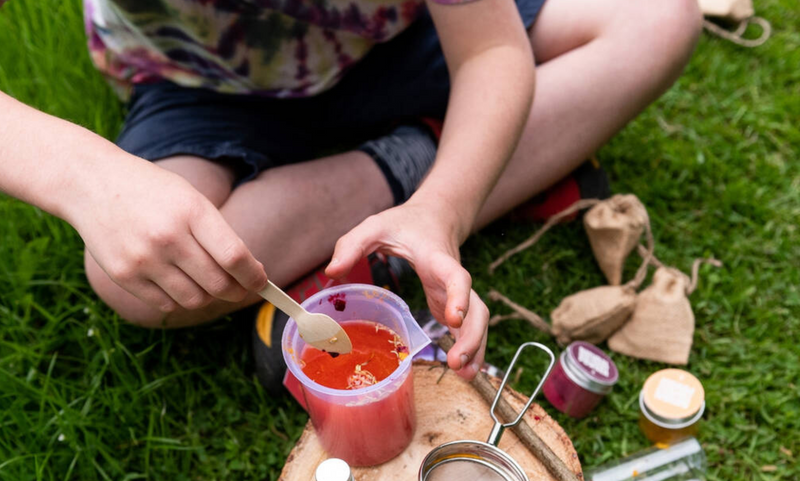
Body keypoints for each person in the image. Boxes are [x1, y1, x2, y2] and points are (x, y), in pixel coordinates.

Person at [0, 0, 702, 383]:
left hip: (400, 38)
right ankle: (453, 153)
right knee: (136, 282)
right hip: (203, 86)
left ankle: (430, 189)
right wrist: (79, 173)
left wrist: (441, 209)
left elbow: (488, 49)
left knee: (659, 17)